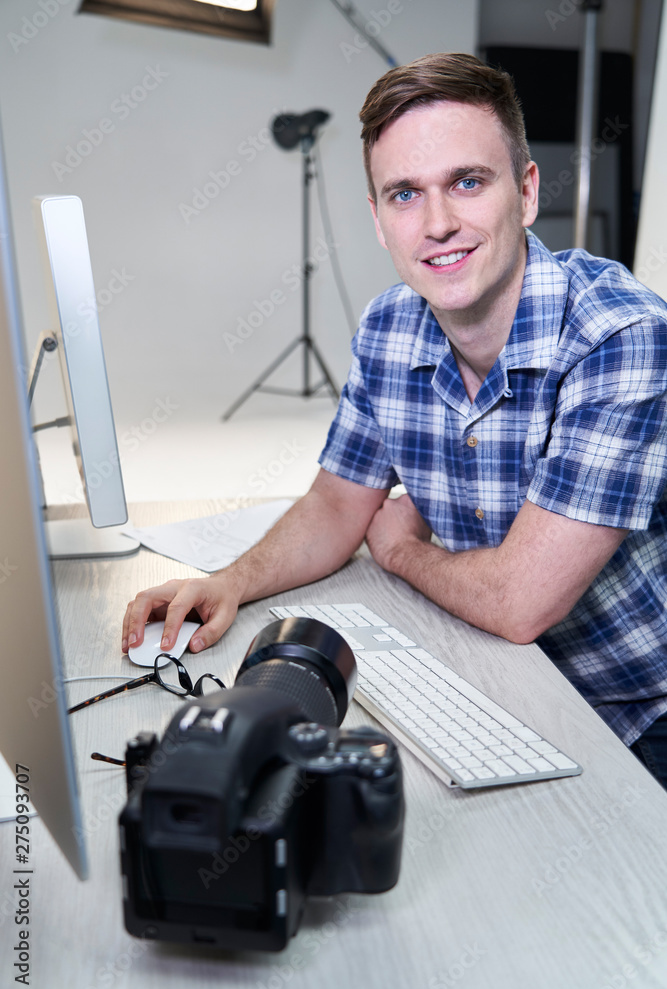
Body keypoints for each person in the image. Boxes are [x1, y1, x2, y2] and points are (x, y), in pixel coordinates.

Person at [123, 52, 667, 785]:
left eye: (466, 183)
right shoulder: (388, 326)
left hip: (632, 709)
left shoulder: (618, 336)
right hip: (492, 675)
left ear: (528, 191)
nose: (437, 223)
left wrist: (401, 550)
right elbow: (335, 504)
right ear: (378, 221)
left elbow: (518, 603)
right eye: (404, 194)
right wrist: (230, 581)